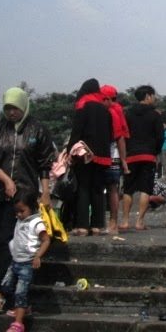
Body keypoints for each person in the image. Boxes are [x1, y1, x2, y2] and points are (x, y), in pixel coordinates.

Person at [0, 87, 56, 315]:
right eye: (8, 108)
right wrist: (4, 180)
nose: (11, 112)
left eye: (15, 108)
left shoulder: (37, 129)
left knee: (7, 242)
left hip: (23, 194)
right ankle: (14, 290)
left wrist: (45, 192)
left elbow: (45, 163)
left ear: (23, 106)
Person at [0, 189, 50, 332]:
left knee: (21, 292)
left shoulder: (37, 223)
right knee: (7, 286)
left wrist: (38, 256)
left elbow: (45, 240)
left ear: (32, 208)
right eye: (17, 212)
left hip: (27, 262)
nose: (19, 214)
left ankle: (18, 323)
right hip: (15, 261)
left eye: (22, 211)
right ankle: (23, 307)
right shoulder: (20, 220)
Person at [67, 78, 113, 236]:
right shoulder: (105, 110)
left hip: (85, 154)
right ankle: (97, 226)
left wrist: (69, 151)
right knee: (98, 189)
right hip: (103, 155)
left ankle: (82, 226)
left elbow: (76, 131)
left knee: (83, 188)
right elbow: (111, 135)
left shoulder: (83, 105)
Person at [121, 85, 162, 231]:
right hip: (148, 155)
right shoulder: (155, 114)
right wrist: (155, 151)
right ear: (148, 96)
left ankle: (125, 221)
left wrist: (125, 153)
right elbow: (160, 137)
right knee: (145, 189)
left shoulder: (128, 114)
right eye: (153, 95)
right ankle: (139, 222)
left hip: (131, 155)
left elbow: (123, 135)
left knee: (128, 189)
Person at [100, 84, 130, 235]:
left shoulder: (113, 112)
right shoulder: (117, 110)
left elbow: (120, 138)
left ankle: (111, 223)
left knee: (110, 188)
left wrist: (123, 160)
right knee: (112, 189)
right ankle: (111, 222)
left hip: (109, 153)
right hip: (112, 153)